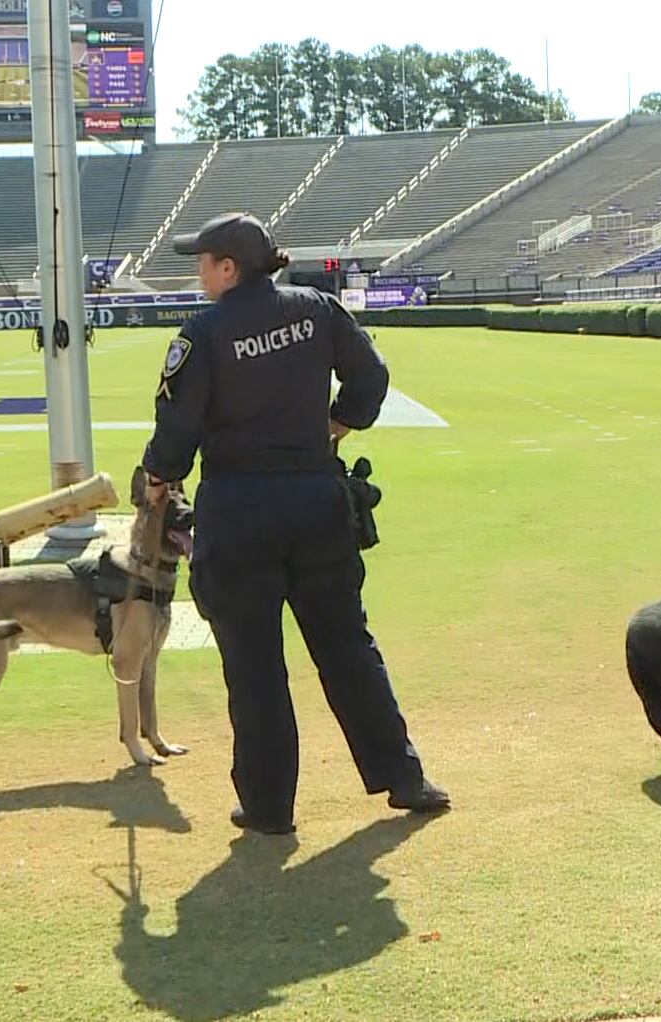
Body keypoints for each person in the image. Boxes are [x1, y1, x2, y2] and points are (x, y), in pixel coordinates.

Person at [141, 211, 449, 835]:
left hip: (238, 512)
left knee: (254, 667)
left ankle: (268, 807)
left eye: (202, 261)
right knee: (347, 647)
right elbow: (371, 375)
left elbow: (177, 430)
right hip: (316, 502)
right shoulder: (316, 308)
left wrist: (156, 478)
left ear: (228, 267)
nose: (198, 272)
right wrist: (337, 425)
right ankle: (403, 776)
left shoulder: (201, 334)